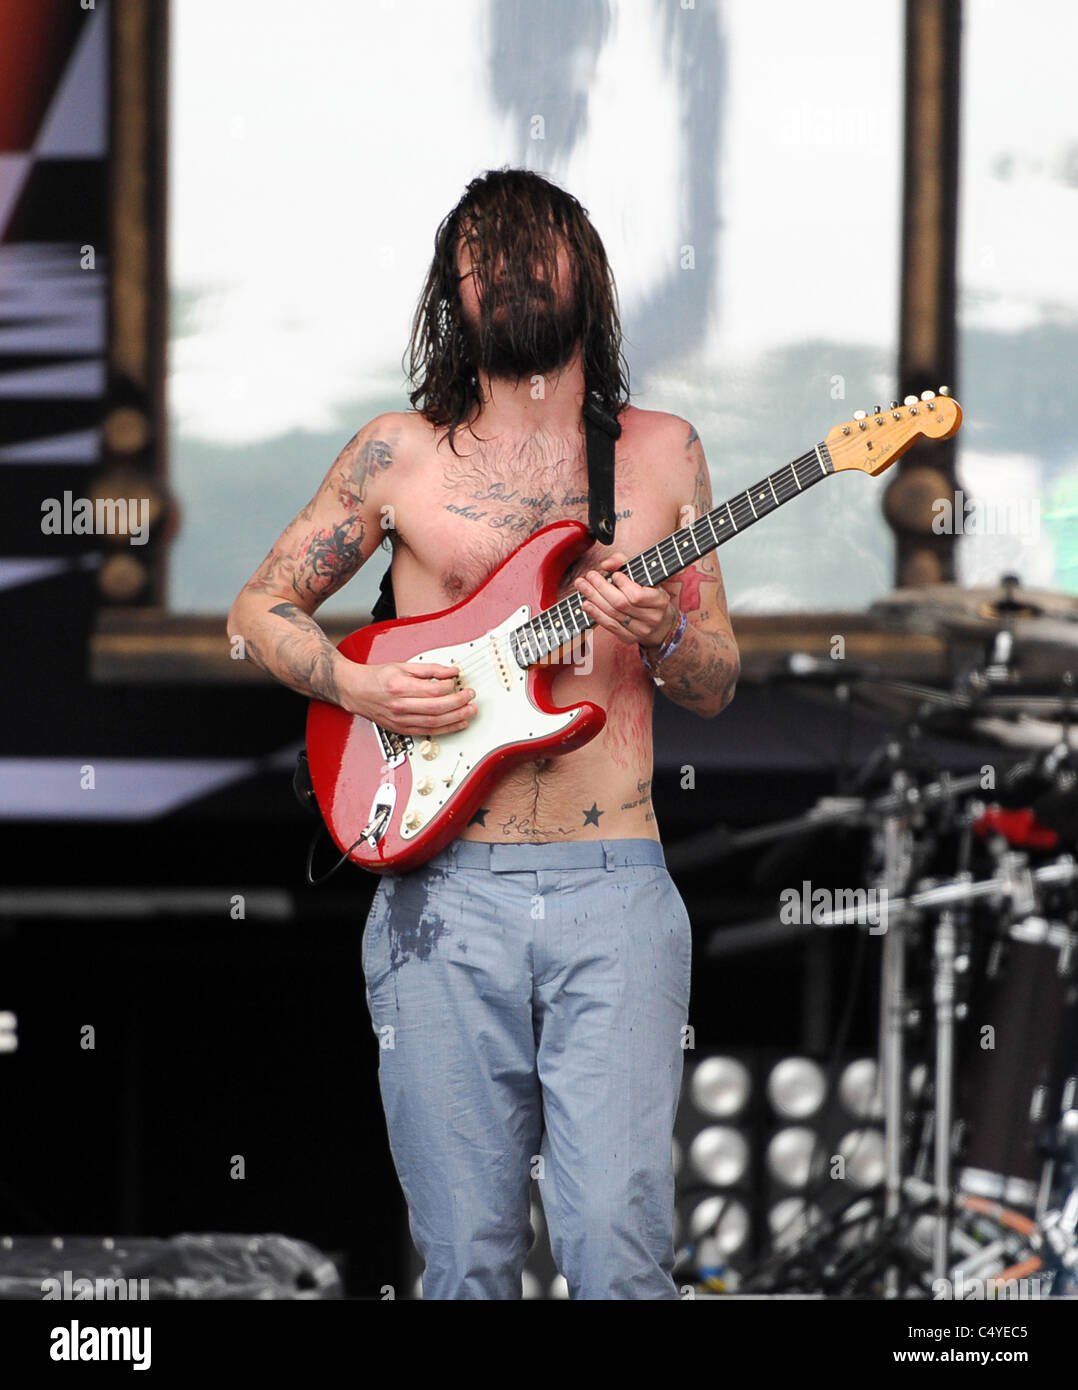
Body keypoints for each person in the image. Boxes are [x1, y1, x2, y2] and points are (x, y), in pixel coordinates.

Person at [227, 168, 740, 1299]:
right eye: (483, 254)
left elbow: (714, 680)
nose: (509, 271)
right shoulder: (397, 454)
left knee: (617, 1248)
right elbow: (258, 611)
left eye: (536, 249)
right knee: (465, 1261)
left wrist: (658, 630)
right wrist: (363, 692)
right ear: (453, 287)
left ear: (585, 275)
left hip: (614, 880)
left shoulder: (660, 453)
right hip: (443, 894)